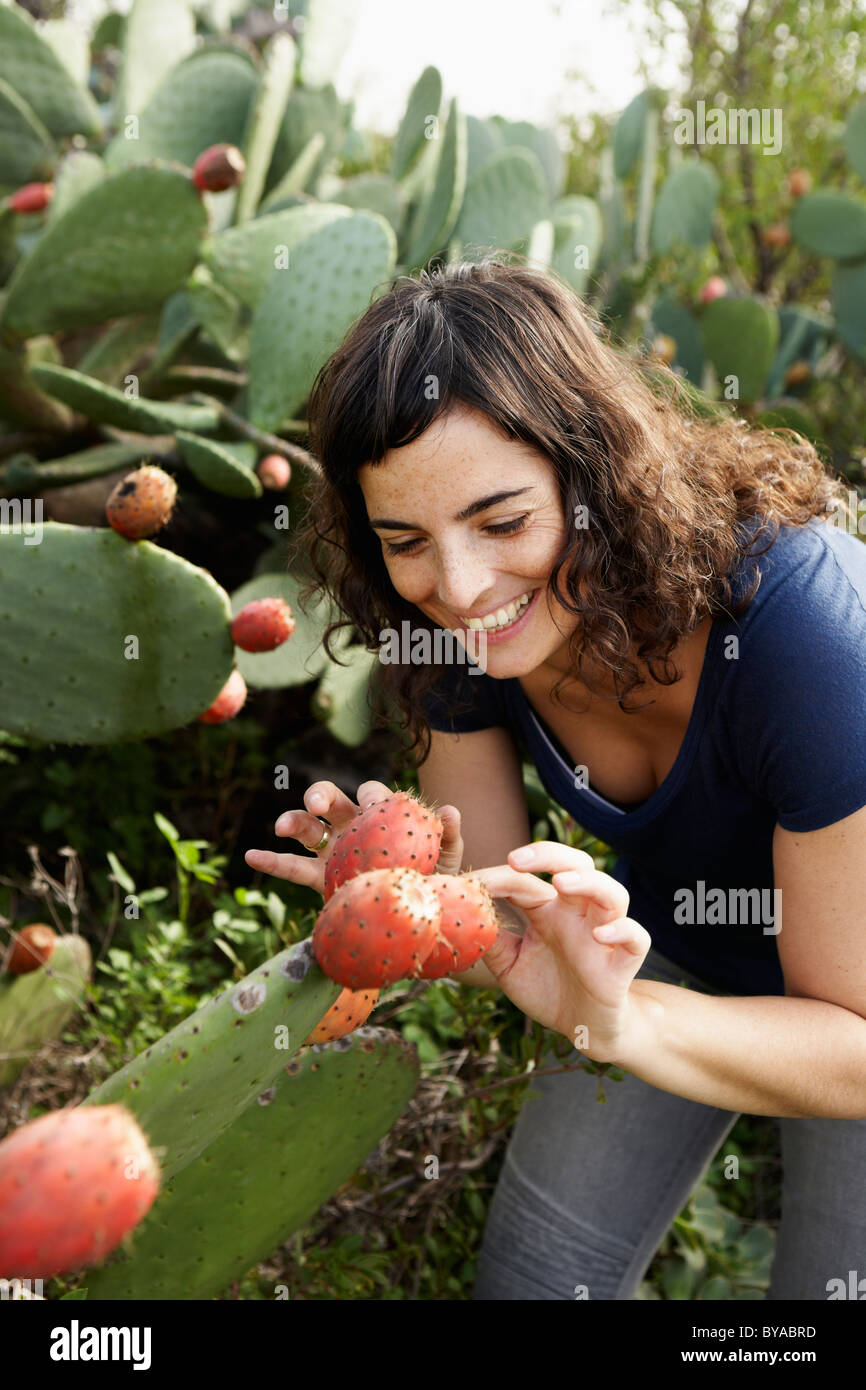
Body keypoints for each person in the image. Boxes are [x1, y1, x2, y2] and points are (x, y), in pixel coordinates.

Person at [245, 257, 866, 1301]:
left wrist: (623, 1023)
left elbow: (850, 1046)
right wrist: (420, 900)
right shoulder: (450, 632)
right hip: (669, 941)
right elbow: (502, 917)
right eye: (404, 541)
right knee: (537, 1281)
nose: (458, 586)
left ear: (599, 477)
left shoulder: (804, 635)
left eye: (501, 522)